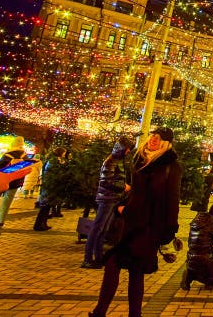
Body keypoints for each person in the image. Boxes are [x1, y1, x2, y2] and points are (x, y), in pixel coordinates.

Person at [89, 127, 182, 317]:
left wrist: (170, 229)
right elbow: (135, 191)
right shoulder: (139, 160)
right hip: (129, 223)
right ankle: (100, 311)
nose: (153, 139)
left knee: (136, 272)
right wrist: (122, 206)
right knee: (112, 264)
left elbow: (172, 199)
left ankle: (132, 314)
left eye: (159, 138)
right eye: (152, 135)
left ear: (166, 143)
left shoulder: (170, 166)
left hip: (148, 226)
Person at [82, 135, 134, 268]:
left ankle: (98, 258)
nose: (128, 152)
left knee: (103, 229)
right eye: (127, 149)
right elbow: (106, 181)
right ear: (122, 149)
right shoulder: (111, 161)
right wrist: (124, 187)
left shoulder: (118, 160)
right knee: (97, 228)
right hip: (107, 198)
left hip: (113, 198)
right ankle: (88, 258)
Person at [0, 136, 28, 236]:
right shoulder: (24, 156)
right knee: (6, 204)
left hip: (1, 180)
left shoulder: (7, 154)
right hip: (15, 182)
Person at [33, 147, 69, 232]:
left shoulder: (56, 160)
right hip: (49, 186)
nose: (65, 154)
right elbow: (54, 172)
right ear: (61, 152)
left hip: (51, 186)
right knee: (44, 207)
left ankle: (43, 224)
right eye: (64, 152)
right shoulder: (53, 161)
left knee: (47, 207)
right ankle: (38, 225)